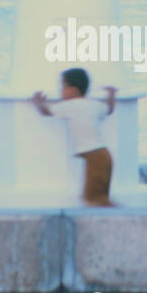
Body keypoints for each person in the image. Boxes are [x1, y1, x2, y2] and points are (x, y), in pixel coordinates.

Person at [31, 69, 117, 207]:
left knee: (93, 199)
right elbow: (110, 109)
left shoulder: (69, 106)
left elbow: (45, 111)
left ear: (74, 90)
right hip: (104, 156)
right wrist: (112, 94)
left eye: (63, 87)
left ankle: (125, 219)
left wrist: (37, 101)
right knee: (100, 198)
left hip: (95, 158)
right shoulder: (94, 104)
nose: (61, 91)